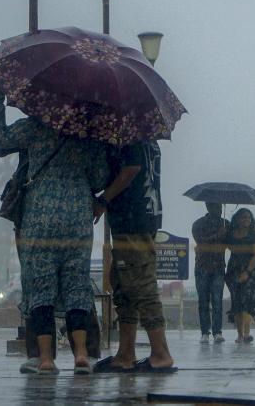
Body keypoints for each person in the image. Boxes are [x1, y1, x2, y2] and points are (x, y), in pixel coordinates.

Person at [0, 77, 109, 375]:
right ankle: (81, 355)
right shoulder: (86, 133)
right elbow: (100, 177)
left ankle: (45, 359)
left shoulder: (35, 126)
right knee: (77, 286)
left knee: (40, 288)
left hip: (39, 218)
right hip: (77, 218)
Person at [92, 141, 176, 373]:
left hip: (133, 220)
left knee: (140, 284)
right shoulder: (148, 141)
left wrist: (103, 199)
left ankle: (161, 353)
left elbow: (131, 169)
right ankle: (125, 353)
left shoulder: (131, 137)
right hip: (137, 219)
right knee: (123, 285)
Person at [224, 208, 255, 344]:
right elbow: (230, 248)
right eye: (243, 217)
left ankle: (247, 334)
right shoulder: (231, 234)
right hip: (234, 269)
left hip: (252, 270)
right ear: (237, 219)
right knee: (237, 303)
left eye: (249, 217)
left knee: (247, 302)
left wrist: (246, 272)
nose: (246, 220)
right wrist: (226, 234)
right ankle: (239, 335)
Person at [192, 202, 228, 343]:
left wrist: (254, 231)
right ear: (208, 207)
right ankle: (204, 332)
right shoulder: (198, 224)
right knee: (203, 301)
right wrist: (218, 235)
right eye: (215, 207)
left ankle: (217, 332)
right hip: (202, 266)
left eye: (219, 207)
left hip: (219, 267)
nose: (218, 210)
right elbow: (200, 242)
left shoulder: (227, 224)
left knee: (217, 301)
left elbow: (235, 240)